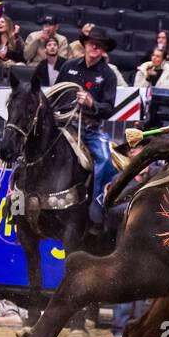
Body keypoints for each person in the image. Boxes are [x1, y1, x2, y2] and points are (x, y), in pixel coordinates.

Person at [57, 29, 119, 221]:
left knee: (105, 160)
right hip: (63, 124)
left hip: (89, 129)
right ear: (85, 44)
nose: (95, 47)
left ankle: (98, 203)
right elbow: (55, 93)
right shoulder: (68, 67)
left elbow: (109, 109)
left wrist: (92, 103)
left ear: (103, 50)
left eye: (99, 45)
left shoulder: (108, 75)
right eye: (92, 43)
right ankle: (18, 200)